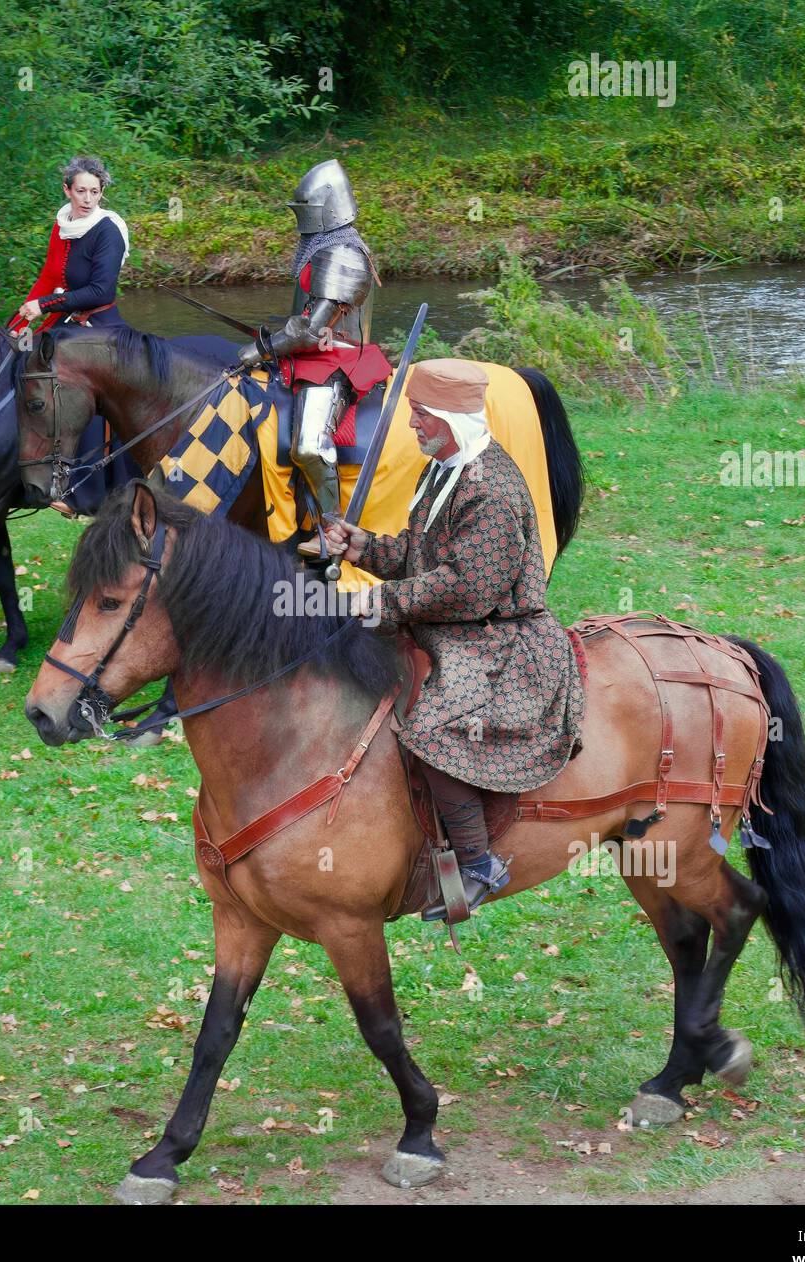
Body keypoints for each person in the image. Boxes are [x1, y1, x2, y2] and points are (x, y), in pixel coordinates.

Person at [323, 358, 586, 919]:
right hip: (450, 623)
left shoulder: (490, 490)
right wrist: (362, 547)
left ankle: (476, 864)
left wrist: (381, 601)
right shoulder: (442, 469)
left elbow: (468, 588)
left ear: (449, 418)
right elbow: (423, 557)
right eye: (413, 413)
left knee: (435, 725)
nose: (412, 425)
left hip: (498, 639)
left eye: (421, 415)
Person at [236, 159, 390, 555]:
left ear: (327, 207)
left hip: (336, 359)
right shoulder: (323, 247)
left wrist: (261, 348)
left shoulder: (344, 255)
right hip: (313, 355)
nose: (302, 218)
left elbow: (310, 329)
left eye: (307, 208)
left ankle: (334, 532)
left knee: (308, 445)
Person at [8, 154, 134, 514]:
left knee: (86, 393)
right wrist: (20, 322)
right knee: (24, 366)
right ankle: (23, 469)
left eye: (95, 191)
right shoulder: (62, 225)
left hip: (101, 324)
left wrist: (45, 306)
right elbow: (50, 277)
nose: (88, 199)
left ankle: (85, 491)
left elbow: (101, 292)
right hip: (66, 323)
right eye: (81, 191)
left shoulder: (108, 231)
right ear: (67, 190)